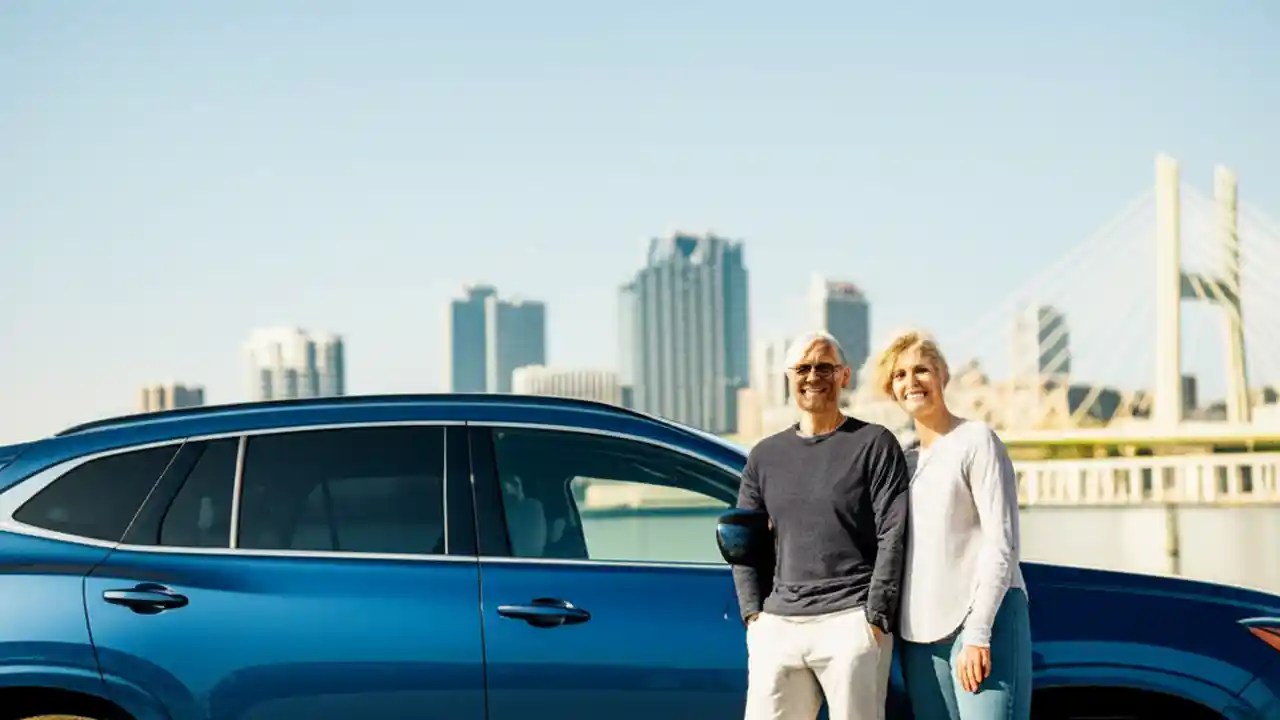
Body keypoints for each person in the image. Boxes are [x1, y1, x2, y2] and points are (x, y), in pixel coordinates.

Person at [733, 331, 910, 720]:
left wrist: (876, 617)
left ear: (844, 376)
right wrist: (754, 617)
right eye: (803, 368)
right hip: (778, 624)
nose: (813, 376)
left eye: (824, 367)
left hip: (851, 621)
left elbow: (893, 534)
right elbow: (743, 539)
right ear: (789, 376)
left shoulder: (874, 444)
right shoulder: (764, 456)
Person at [873, 329, 1032, 719]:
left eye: (922, 370)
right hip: (920, 639)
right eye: (900, 375)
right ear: (891, 389)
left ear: (942, 376)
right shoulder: (903, 462)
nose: (912, 382)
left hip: (979, 626)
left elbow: (1002, 544)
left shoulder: (976, 440)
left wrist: (978, 633)